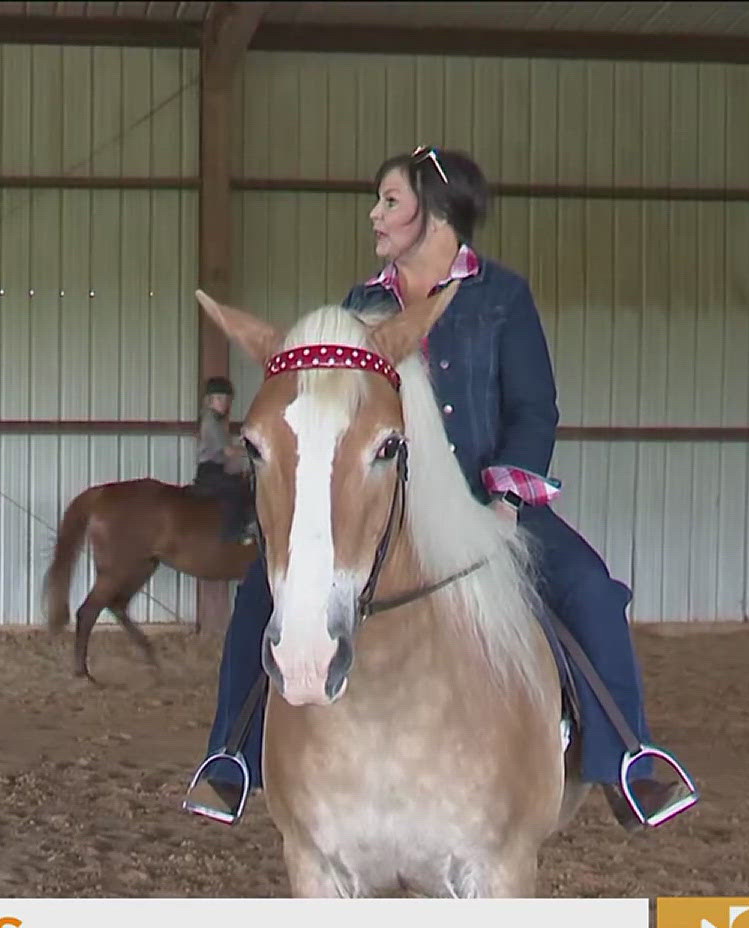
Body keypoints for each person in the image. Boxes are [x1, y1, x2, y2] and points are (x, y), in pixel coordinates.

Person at [182, 146, 697, 830]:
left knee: (590, 590)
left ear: (437, 212)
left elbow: (535, 406)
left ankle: (629, 757)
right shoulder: (359, 306)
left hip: (491, 503)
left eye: (390, 201)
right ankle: (233, 758)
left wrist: (509, 495)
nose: (376, 213)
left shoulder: (502, 298)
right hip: (387, 507)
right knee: (260, 592)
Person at [188, 376, 254, 543]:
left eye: (226, 399)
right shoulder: (211, 421)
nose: (223, 403)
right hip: (211, 471)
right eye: (219, 398)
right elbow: (229, 451)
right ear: (209, 400)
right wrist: (254, 452)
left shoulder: (217, 421)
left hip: (218, 468)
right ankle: (233, 532)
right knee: (235, 489)